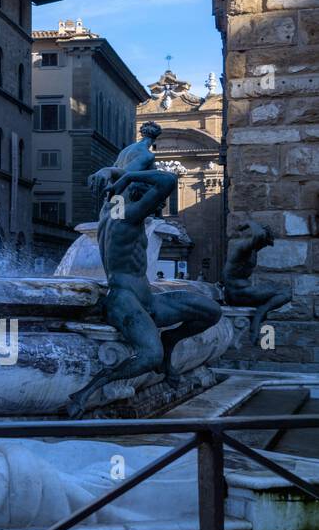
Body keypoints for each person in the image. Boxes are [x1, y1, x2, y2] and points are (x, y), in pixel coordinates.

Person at [65, 168, 221, 418]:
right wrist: (126, 177)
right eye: (158, 202)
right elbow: (168, 180)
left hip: (145, 296)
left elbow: (137, 169)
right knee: (150, 355)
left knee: (211, 311)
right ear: (141, 197)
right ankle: (89, 389)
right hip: (123, 300)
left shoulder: (113, 208)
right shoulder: (128, 216)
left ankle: (170, 339)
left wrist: (116, 173)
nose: (160, 208)